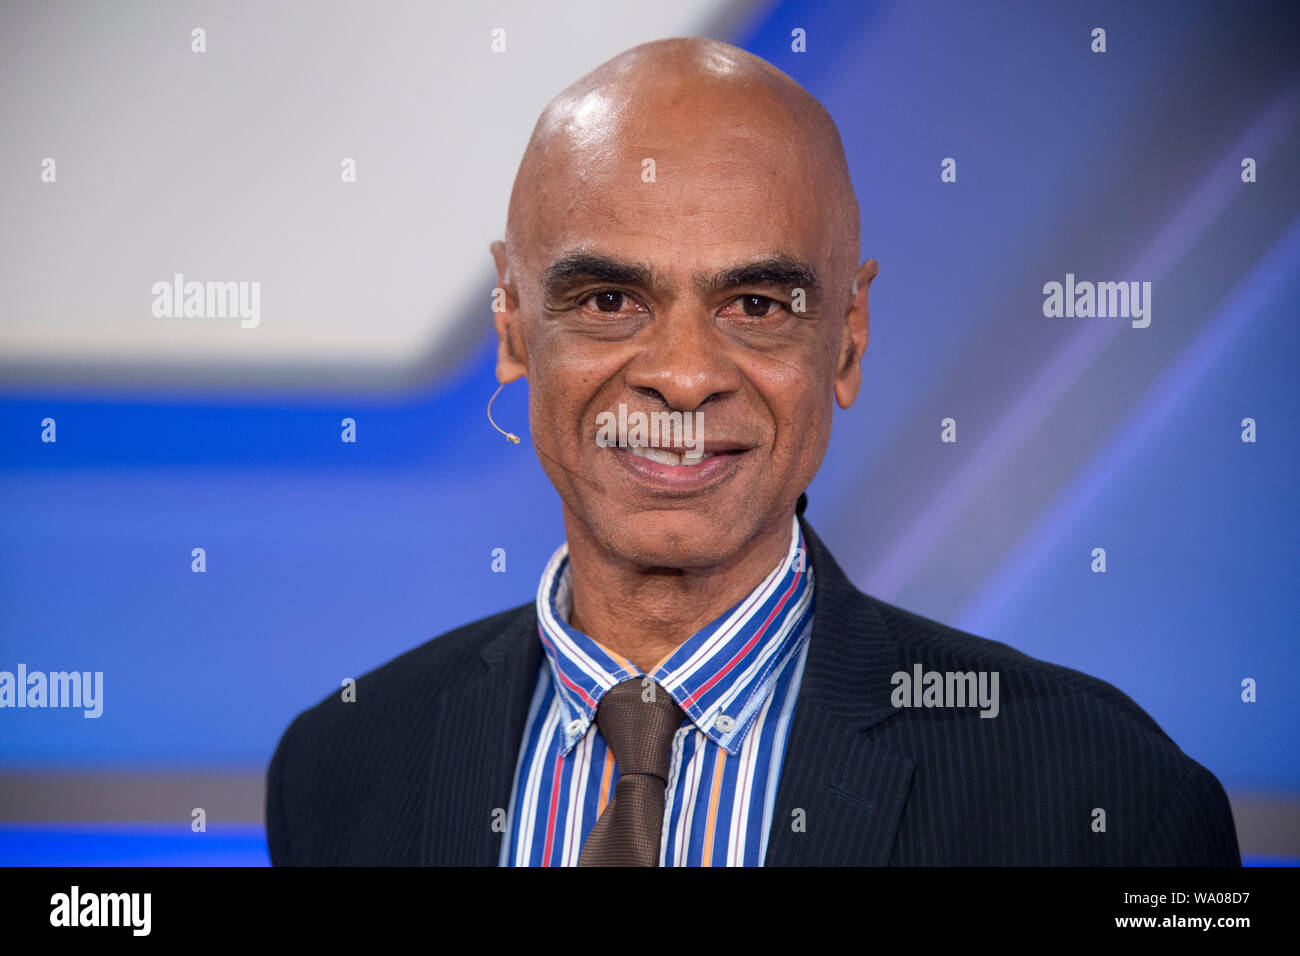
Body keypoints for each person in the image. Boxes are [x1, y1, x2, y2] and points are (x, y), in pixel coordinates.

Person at [266, 37, 1240, 866]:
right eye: (610, 299)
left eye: (757, 305)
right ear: (512, 322)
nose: (684, 376)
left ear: (847, 338)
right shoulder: (339, 767)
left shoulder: (1107, 799)